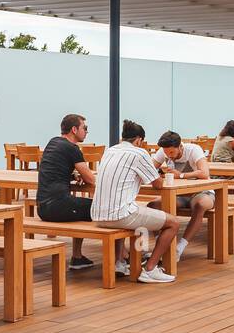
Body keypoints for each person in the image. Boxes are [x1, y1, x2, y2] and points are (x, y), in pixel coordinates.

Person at [91, 120, 180, 283]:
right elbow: (158, 184)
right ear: (139, 140)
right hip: (120, 216)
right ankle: (151, 269)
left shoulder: (110, 151)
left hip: (97, 215)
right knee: (173, 223)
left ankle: (119, 263)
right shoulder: (139, 153)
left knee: (126, 209)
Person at [36, 113, 98, 271]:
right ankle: (122, 258)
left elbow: (55, 168)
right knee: (104, 209)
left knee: (80, 206)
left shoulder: (53, 142)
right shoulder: (72, 148)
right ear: (74, 129)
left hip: (42, 207)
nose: (86, 131)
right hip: (58, 207)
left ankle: (78, 258)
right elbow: (91, 180)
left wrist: (72, 175)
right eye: (85, 128)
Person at [151, 131, 213, 259]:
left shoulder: (193, 150)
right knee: (153, 205)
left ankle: (180, 248)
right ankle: (162, 245)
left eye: (172, 153)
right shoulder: (164, 152)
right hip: (179, 194)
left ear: (180, 146)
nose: (169, 156)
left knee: (200, 205)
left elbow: (204, 173)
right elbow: (150, 168)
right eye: (167, 154)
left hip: (202, 192)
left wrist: (180, 175)